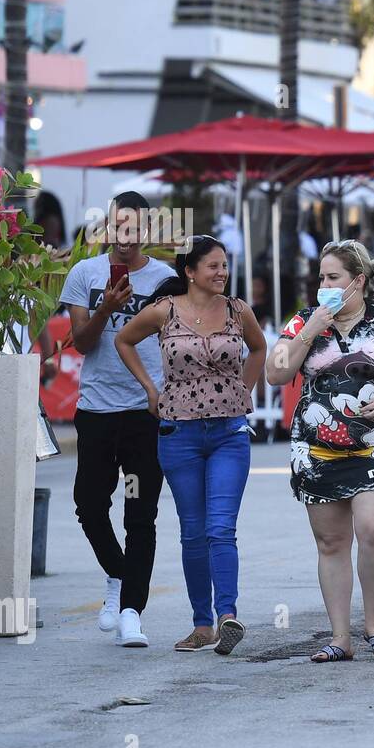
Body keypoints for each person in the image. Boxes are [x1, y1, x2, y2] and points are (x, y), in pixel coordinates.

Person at [266, 241, 374, 662]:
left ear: (358, 281)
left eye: (332, 277)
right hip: (316, 446)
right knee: (331, 542)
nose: (324, 285)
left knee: (372, 530)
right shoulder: (303, 321)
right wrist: (309, 330)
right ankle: (340, 637)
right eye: (320, 278)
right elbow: (275, 373)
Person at [115, 236, 267, 653]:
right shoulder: (164, 311)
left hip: (228, 434)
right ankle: (202, 625)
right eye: (213, 266)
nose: (222, 273)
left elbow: (259, 348)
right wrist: (150, 390)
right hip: (178, 433)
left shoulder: (238, 310)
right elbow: (123, 340)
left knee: (222, 528)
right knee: (193, 531)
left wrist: (245, 388)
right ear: (190, 271)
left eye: (224, 266)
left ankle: (228, 615)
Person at [59, 192, 177, 647]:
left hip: (146, 412)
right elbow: (83, 344)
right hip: (96, 409)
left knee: (140, 513)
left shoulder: (166, 279)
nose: (124, 239)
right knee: (89, 505)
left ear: (146, 231)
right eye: (117, 228)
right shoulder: (84, 274)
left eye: (133, 230)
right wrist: (107, 305)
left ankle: (131, 610)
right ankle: (118, 574)